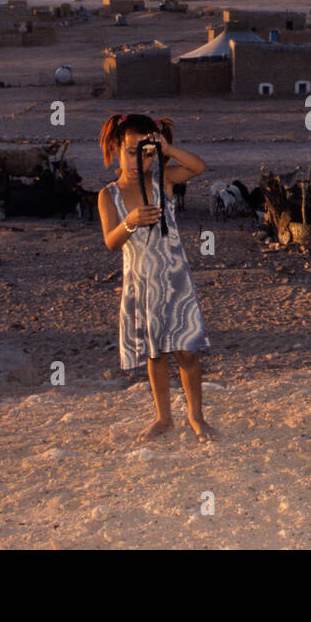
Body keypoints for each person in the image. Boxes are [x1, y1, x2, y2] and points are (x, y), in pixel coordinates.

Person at [97, 112, 214, 443]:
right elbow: (111, 241)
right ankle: (164, 418)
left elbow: (198, 167)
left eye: (148, 154)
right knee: (155, 353)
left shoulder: (162, 181)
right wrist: (131, 221)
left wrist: (167, 149)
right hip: (143, 284)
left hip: (176, 279)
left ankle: (196, 416)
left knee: (187, 352)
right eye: (133, 152)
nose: (140, 161)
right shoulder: (110, 195)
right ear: (118, 148)